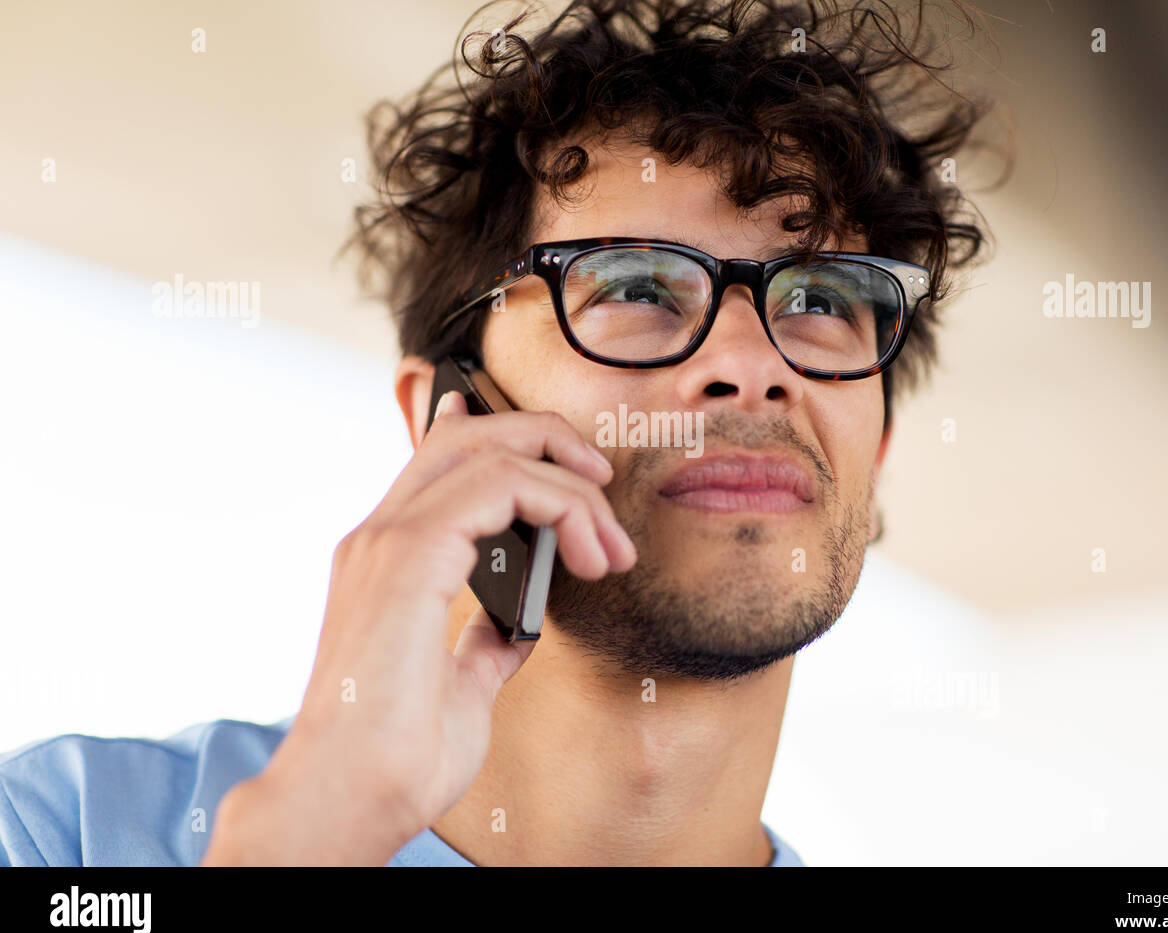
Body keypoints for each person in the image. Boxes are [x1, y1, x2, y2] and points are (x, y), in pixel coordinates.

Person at [0, 0, 989, 866]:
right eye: (638, 285)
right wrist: (313, 830)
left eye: (821, 297)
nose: (751, 361)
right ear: (449, 418)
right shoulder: (60, 835)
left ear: (878, 450)